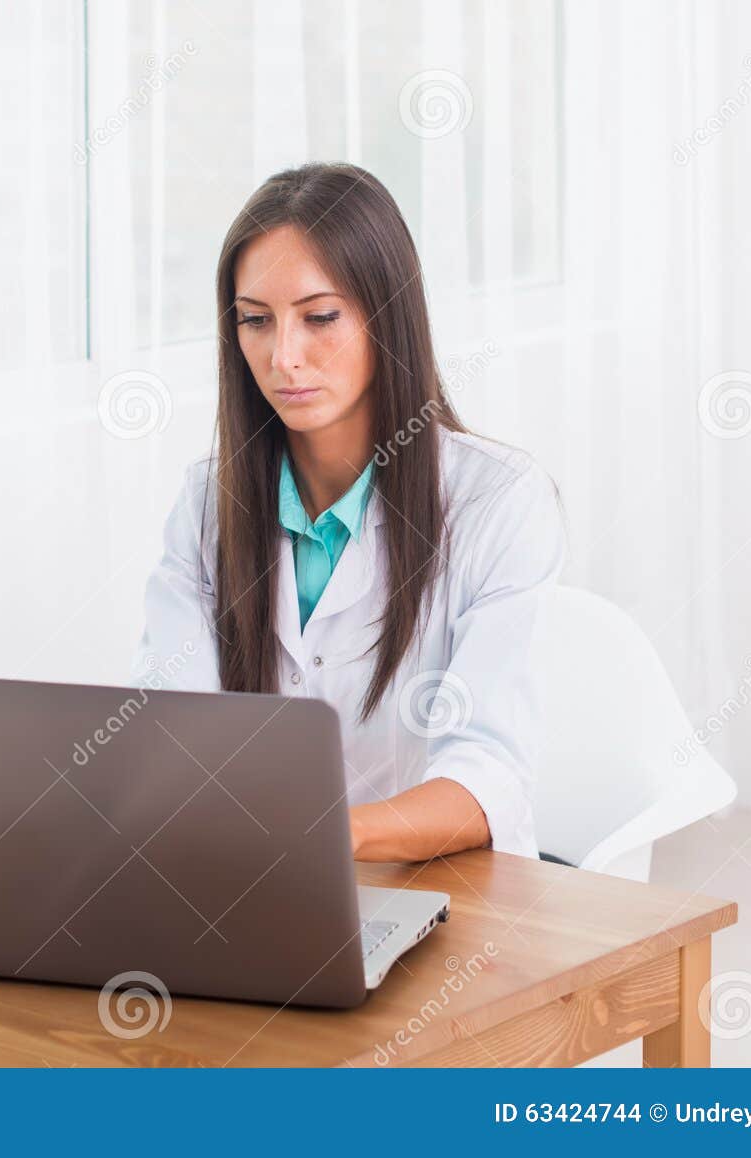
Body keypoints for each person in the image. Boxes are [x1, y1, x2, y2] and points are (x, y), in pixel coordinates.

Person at [132, 162, 566, 863]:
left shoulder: (500, 500)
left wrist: (327, 833)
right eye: (255, 321)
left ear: (385, 312)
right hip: (253, 895)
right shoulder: (209, 504)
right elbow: (173, 726)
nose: (284, 357)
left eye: (319, 317)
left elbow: (488, 775)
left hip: (444, 899)